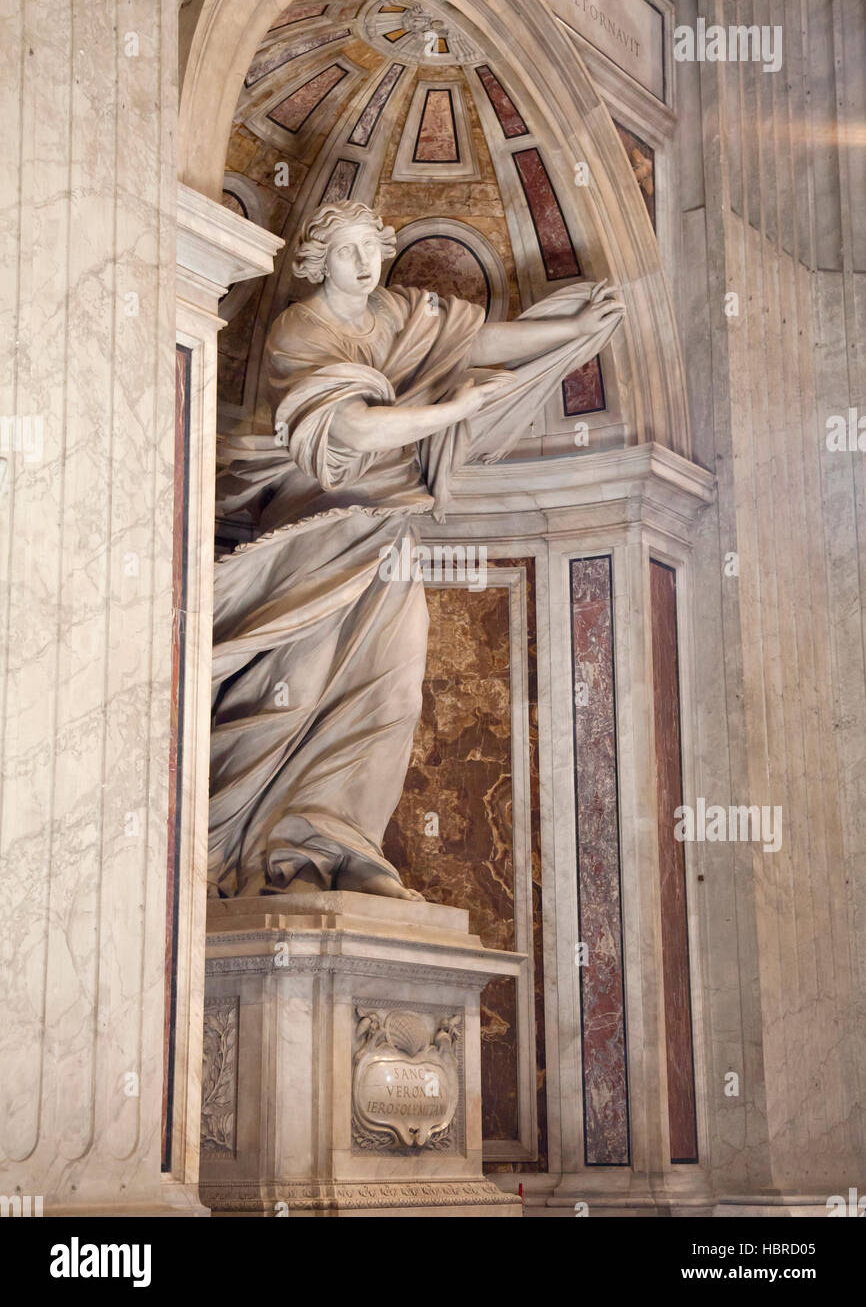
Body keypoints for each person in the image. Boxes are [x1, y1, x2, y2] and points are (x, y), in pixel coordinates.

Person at [209, 200, 625, 899]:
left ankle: (335, 841)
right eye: (348, 251)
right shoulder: (298, 329)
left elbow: (475, 343)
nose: (365, 263)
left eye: (372, 248)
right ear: (318, 260)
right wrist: (453, 411)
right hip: (322, 536)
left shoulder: (401, 313)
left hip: (391, 534)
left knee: (394, 689)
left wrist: (574, 328)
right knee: (297, 690)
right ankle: (253, 842)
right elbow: (350, 430)